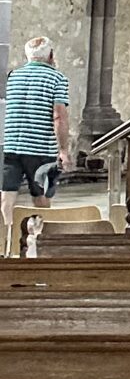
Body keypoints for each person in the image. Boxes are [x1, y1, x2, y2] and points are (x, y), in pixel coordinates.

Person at [3, 35, 72, 249]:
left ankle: (5, 243)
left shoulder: (14, 76)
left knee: (6, 196)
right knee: (41, 197)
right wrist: (63, 150)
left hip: (12, 145)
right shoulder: (56, 78)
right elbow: (59, 115)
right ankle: (38, 244)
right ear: (51, 56)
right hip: (40, 148)